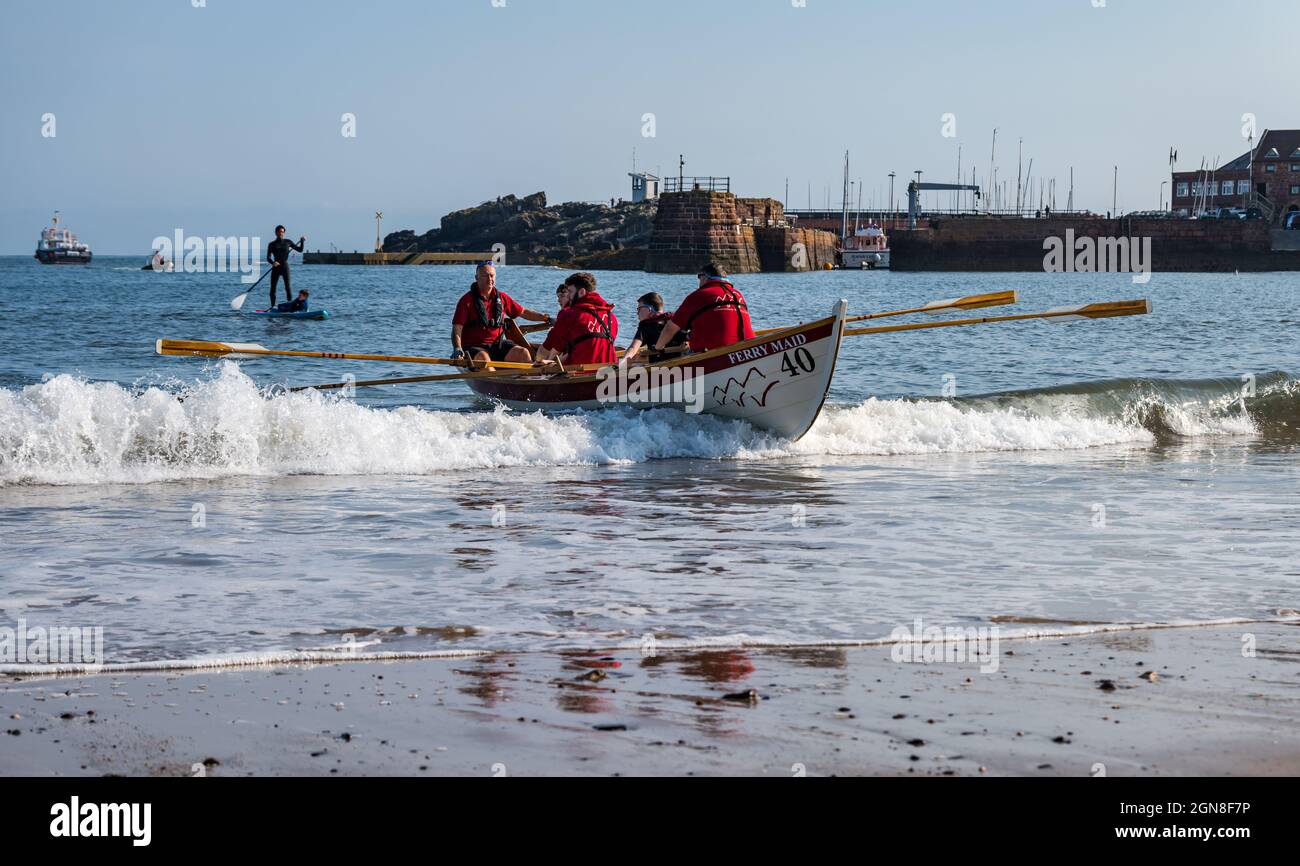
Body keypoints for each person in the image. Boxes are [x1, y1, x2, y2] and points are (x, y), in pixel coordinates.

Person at [451, 262, 551, 366]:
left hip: (497, 345)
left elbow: (524, 312)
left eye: (492, 275)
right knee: (484, 359)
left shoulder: (502, 298)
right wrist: (457, 348)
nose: (490, 279)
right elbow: (457, 329)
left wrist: (546, 318)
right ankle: (492, 378)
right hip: (474, 347)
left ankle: (528, 380)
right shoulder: (466, 301)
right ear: (477, 278)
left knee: (523, 352)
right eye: (485, 275)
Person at [653, 263, 754, 355]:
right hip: (748, 350)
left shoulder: (699, 295)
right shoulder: (738, 295)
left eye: (699, 277)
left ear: (705, 277)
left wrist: (658, 347)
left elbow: (670, 328)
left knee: (680, 355)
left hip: (712, 354)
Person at [536, 272, 618, 367]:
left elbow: (547, 347)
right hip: (608, 370)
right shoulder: (611, 317)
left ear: (581, 292)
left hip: (579, 372)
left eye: (570, 291)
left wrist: (537, 361)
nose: (568, 296)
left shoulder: (569, 314)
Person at [622, 292, 685, 364]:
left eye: (639, 309)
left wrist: (623, 362)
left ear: (649, 309)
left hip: (659, 369)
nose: (637, 313)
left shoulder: (645, 326)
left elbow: (633, 348)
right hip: (681, 364)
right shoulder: (674, 320)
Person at [267, 225, 306, 309]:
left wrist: (302, 241)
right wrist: (273, 262)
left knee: (288, 288)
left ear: (284, 233)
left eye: (282, 232)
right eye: (279, 232)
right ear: (276, 232)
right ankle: (272, 307)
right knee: (273, 289)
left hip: (285, 267)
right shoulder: (272, 244)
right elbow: (268, 257)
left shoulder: (288, 242)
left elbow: (300, 250)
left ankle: (290, 307)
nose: (281, 233)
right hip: (276, 268)